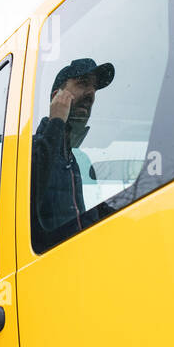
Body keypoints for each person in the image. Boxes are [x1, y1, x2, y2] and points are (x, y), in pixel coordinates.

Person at [31, 57, 114, 243]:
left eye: (94, 88)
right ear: (56, 97)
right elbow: (36, 182)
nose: (91, 93)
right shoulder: (34, 149)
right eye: (83, 83)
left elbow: (73, 223)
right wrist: (57, 121)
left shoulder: (71, 158)